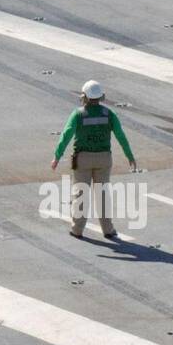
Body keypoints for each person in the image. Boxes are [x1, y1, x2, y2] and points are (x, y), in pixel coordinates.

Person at [51, 80, 137, 239]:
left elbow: (66, 135)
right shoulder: (109, 114)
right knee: (103, 194)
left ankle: (77, 229)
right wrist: (130, 156)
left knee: (80, 194)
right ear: (101, 97)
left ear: (84, 96)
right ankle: (108, 230)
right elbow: (120, 136)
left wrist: (57, 156)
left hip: (83, 159)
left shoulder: (78, 114)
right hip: (104, 159)